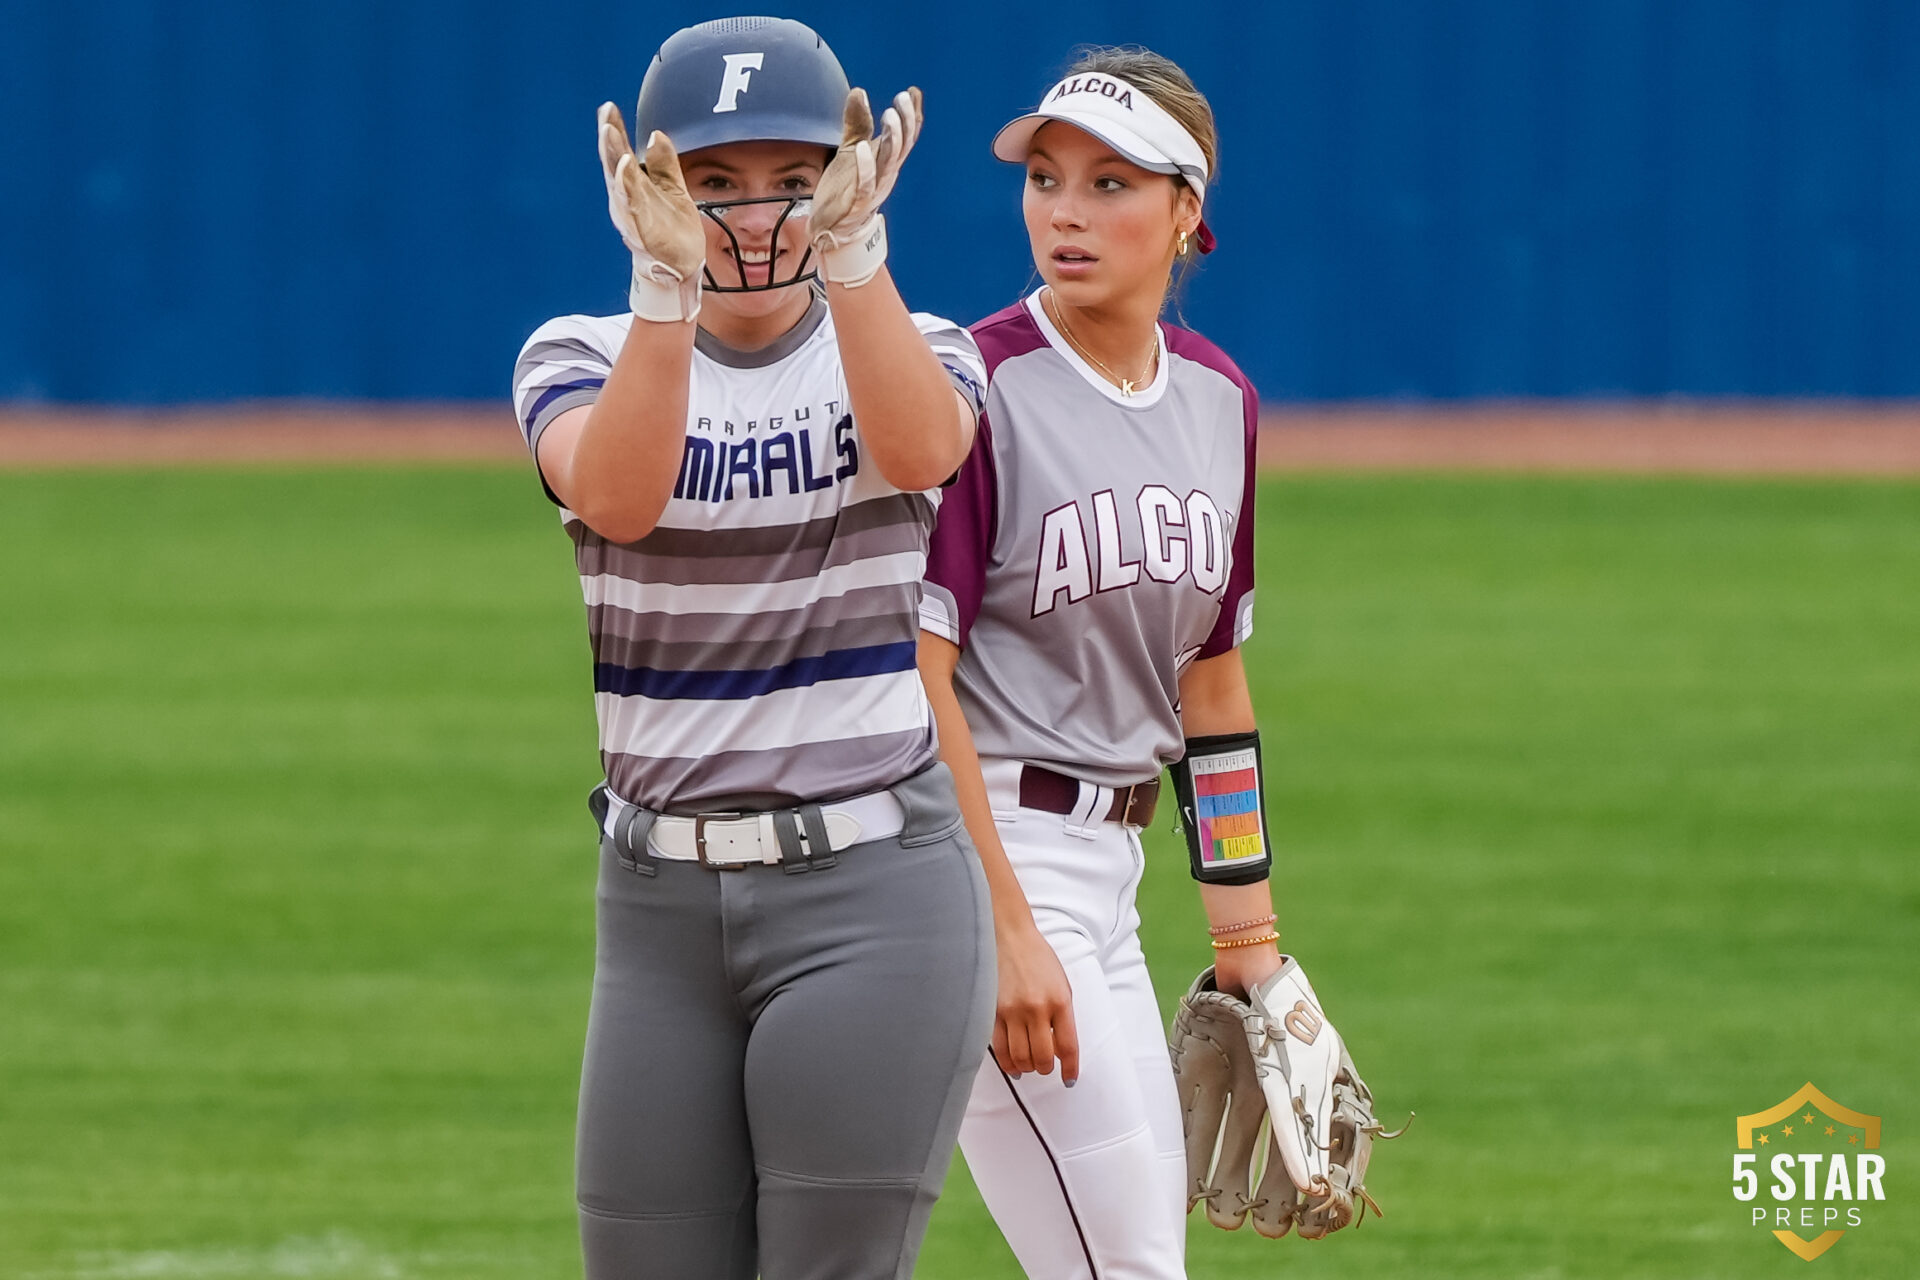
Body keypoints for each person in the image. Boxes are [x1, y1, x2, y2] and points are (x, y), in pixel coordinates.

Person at [511, 17, 994, 1280]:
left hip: (872, 889)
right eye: (713, 179)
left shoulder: (927, 344)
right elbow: (619, 498)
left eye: (793, 176)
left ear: (848, 176)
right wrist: (663, 293)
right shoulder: (576, 351)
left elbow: (922, 449)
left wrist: (858, 256)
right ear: (649, 183)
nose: (753, 213)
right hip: (656, 904)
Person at [918, 47, 1277, 1279]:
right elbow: (915, 671)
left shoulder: (1220, 400)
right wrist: (1001, 925)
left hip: (1112, 884)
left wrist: (1249, 939)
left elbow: (1211, 686)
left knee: (1131, 1254)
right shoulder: (976, 386)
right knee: (1127, 1266)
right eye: (1047, 178)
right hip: (989, 853)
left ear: (1186, 213)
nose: (1065, 211)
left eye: (1111, 183)